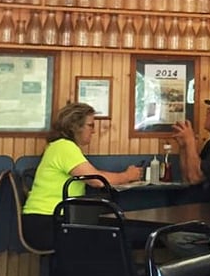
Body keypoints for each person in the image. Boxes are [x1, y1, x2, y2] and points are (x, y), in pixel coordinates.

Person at [22, 102, 143, 251]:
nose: (94, 131)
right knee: (117, 236)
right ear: (75, 127)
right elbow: (96, 180)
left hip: (47, 220)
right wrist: (127, 176)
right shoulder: (64, 147)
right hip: (47, 223)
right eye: (90, 126)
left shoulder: (59, 146)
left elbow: (93, 174)